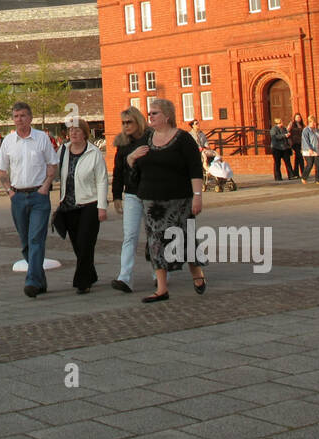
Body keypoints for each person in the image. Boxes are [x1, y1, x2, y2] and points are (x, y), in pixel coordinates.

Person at [126, 98, 206, 302]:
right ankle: (162, 288)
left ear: (167, 116)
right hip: (152, 201)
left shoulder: (183, 139)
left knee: (184, 239)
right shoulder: (147, 138)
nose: (150, 116)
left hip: (179, 200)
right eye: (149, 113)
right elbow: (132, 166)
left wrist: (197, 197)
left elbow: (195, 170)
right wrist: (131, 157)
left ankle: (196, 273)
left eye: (155, 113)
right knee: (155, 242)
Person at [0, 101, 59, 298]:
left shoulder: (41, 138)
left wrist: (46, 186)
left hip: (39, 195)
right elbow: (0, 167)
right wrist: (8, 190)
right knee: (25, 241)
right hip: (18, 196)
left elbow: (52, 163)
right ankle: (39, 279)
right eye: (16, 116)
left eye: (23, 116)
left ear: (30, 118)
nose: (19, 120)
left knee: (36, 238)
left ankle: (31, 281)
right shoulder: (8, 141)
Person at [56, 120, 109, 294]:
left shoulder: (94, 153)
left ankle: (82, 282)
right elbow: (55, 172)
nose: (73, 133)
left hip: (89, 203)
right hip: (68, 204)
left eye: (77, 130)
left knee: (86, 242)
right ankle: (90, 273)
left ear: (85, 133)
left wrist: (102, 206)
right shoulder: (63, 150)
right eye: (71, 130)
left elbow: (102, 180)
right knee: (77, 245)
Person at [109, 105, 150, 293]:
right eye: (123, 123)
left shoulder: (150, 139)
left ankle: (159, 273)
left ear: (138, 121)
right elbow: (118, 172)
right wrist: (116, 196)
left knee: (154, 236)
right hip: (132, 194)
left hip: (151, 192)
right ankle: (125, 277)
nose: (125, 126)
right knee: (130, 235)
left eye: (129, 122)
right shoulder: (123, 144)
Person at [299, 115, 319, 183]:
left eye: (315, 122)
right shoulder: (306, 130)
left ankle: (318, 180)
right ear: (309, 122)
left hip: (316, 149)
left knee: (318, 165)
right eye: (312, 122)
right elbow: (305, 140)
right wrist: (309, 148)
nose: (314, 124)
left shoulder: (316, 130)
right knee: (310, 164)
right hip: (308, 151)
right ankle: (304, 177)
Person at [288, 113, 305, 179]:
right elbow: (287, 130)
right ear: (294, 118)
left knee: (297, 158)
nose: (298, 118)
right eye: (297, 117)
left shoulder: (302, 125)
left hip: (301, 143)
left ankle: (296, 173)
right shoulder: (292, 124)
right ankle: (303, 172)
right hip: (295, 143)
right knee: (300, 157)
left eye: (299, 117)